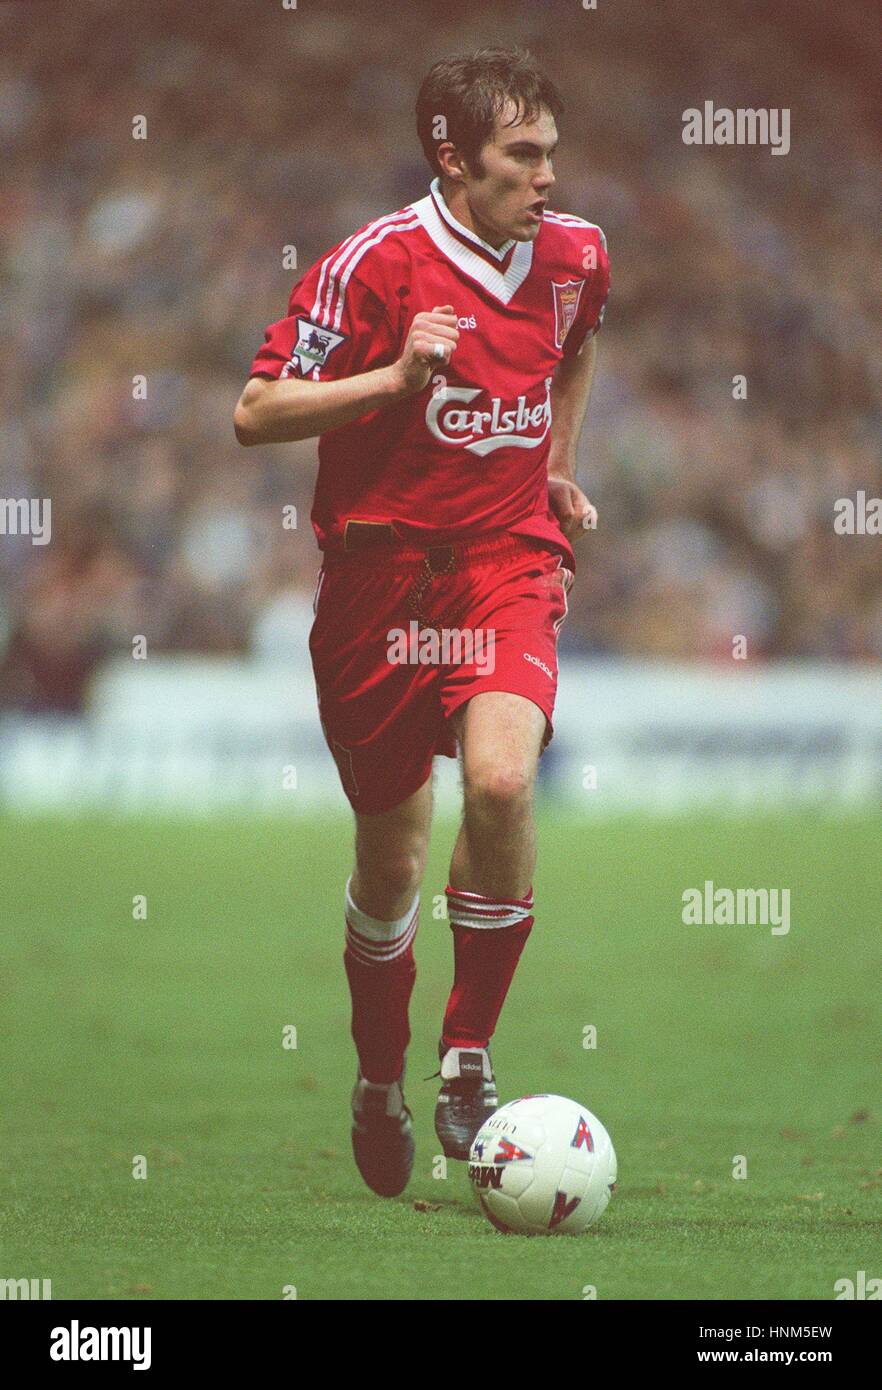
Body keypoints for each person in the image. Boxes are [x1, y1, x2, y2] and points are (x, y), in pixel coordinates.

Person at [234, 47, 609, 1197]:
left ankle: (466, 1056)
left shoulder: (577, 255)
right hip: (377, 587)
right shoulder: (374, 266)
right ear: (452, 155)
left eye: (551, 152)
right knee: (391, 859)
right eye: (522, 155)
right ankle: (376, 1075)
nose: (546, 177)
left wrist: (552, 468)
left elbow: (576, 347)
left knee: (500, 783)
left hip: (504, 564)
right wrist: (393, 382)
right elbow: (256, 411)